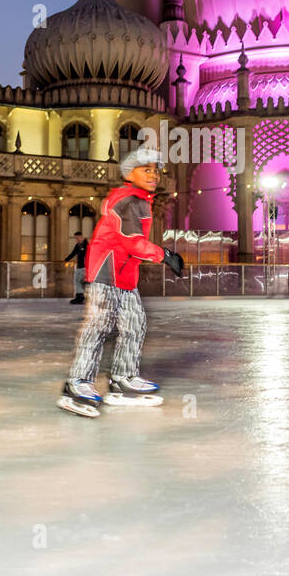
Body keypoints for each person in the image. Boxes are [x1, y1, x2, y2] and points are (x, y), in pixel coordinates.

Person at [57, 148, 184, 417]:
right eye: (145, 169)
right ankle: (77, 383)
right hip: (106, 273)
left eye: (155, 170)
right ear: (130, 173)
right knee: (99, 325)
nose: (153, 175)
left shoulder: (141, 200)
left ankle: (123, 379)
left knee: (134, 325)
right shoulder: (128, 200)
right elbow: (132, 242)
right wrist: (165, 255)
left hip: (124, 275)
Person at [63, 232, 89, 304]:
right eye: (75, 238)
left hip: (84, 267)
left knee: (81, 281)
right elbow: (73, 253)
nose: (76, 240)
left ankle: (81, 296)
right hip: (79, 267)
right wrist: (66, 260)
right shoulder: (78, 245)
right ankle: (79, 296)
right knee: (77, 281)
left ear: (81, 237)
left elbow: (89, 256)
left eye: (77, 238)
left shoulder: (86, 245)